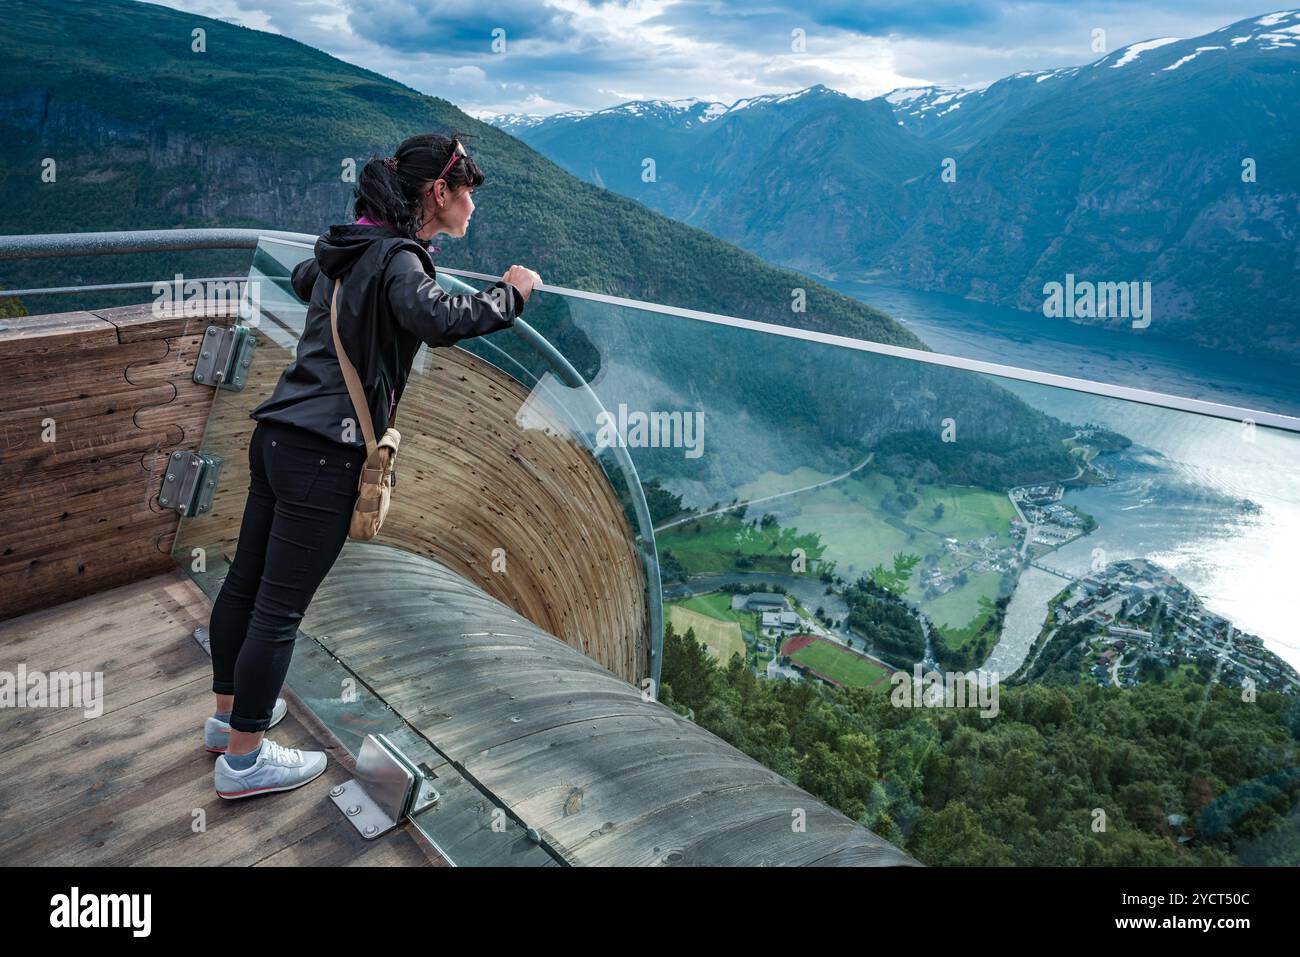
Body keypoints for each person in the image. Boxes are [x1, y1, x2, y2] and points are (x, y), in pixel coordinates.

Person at [205, 132, 542, 799]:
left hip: (276, 433)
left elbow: (307, 277)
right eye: (467, 189)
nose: (473, 203)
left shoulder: (346, 246)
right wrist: (513, 294)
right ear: (437, 193)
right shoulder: (398, 259)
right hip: (325, 453)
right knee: (278, 608)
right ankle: (243, 761)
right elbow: (438, 317)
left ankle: (226, 720)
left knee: (245, 584)